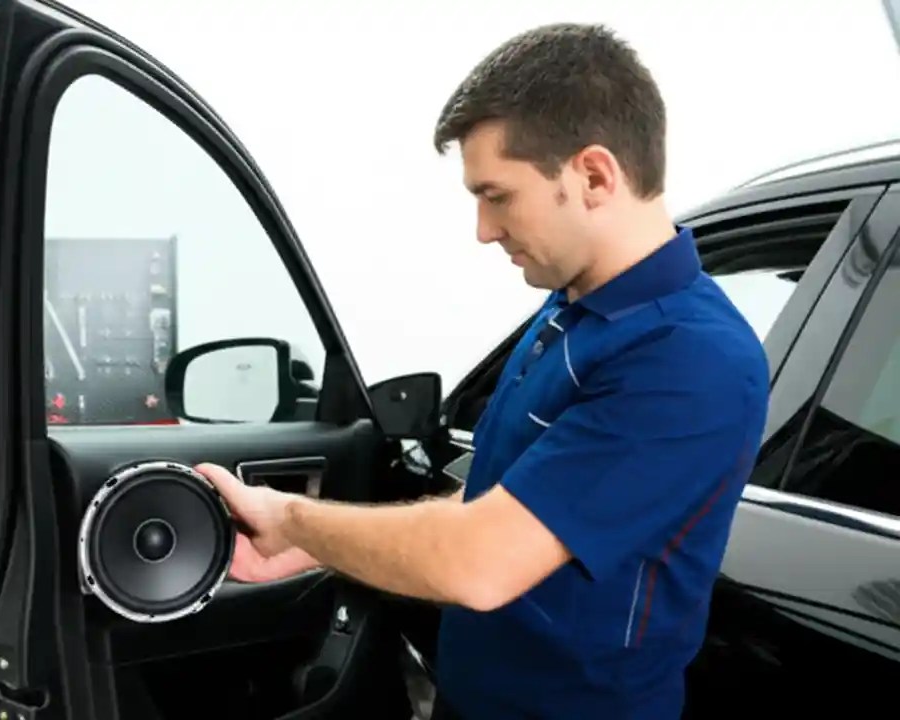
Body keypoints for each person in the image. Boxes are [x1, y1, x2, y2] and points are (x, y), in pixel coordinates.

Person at [195, 21, 769, 720]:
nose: (483, 229)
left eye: (496, 195)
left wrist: (292, 518)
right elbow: (497, 509)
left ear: (593, 175)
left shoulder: (691, 361)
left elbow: (479, 558)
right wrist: (321, 549)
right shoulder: (570, 309)